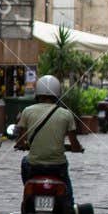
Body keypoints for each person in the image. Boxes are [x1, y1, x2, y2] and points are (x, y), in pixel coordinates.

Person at [14, 74, 85, 203]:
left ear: (38, 93)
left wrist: (22, 145)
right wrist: (77, 148)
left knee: (25, 161)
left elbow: (20, 140)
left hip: (34, 165)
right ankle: (69, 204)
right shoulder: (66, 114)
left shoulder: (27, 111)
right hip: (58, 166)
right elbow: (74, 144)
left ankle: (29, 192)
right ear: (57, 94)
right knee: (67, 193)